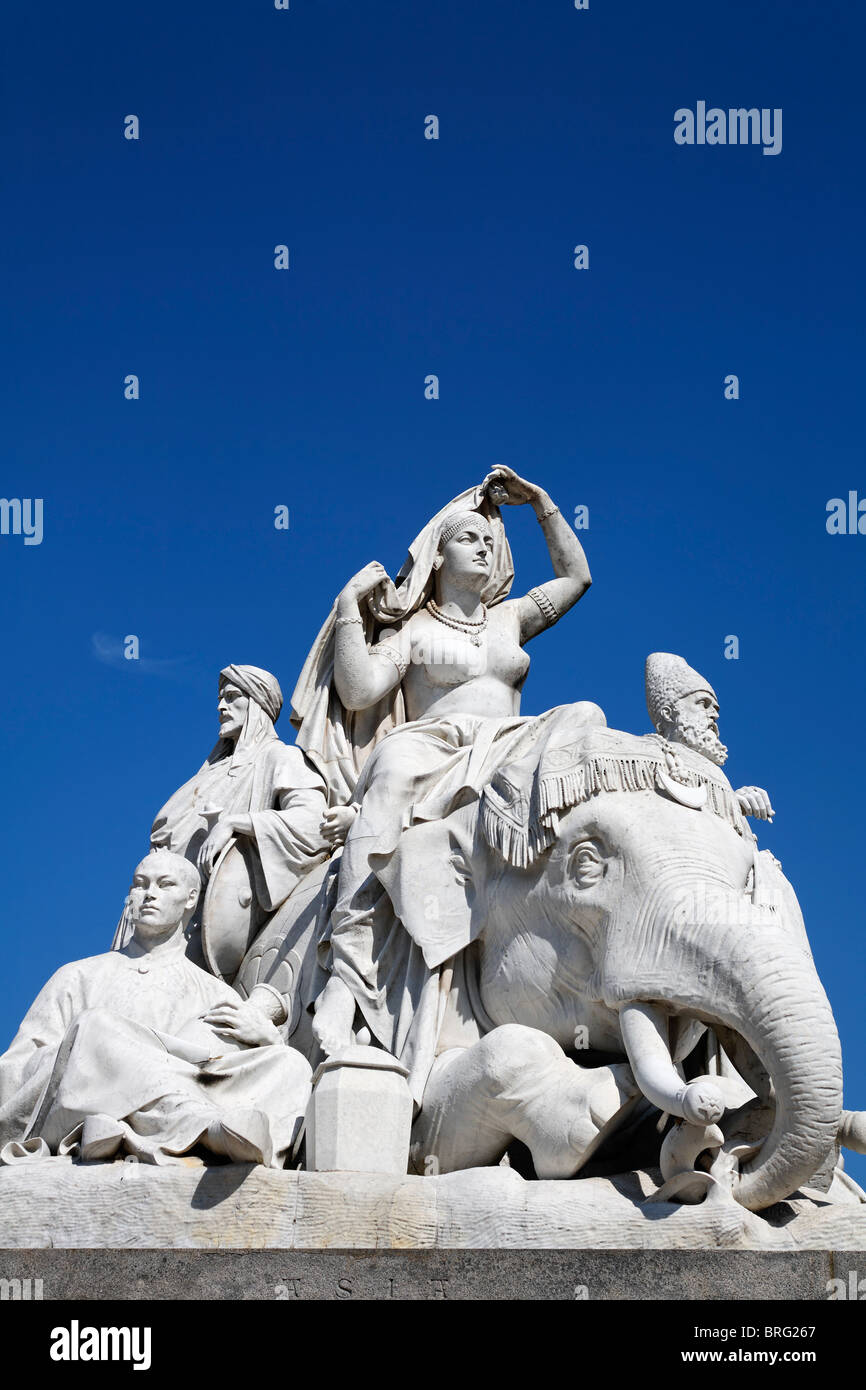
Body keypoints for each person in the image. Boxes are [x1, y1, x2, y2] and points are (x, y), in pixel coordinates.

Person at [294, 466, 603, 1099]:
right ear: (438, 555)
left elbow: (578, 578)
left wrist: (540, 503)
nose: (485, 545)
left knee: (585, 721)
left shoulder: (509, 619)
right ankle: (345, 981)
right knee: (390, 786)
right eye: (469, 537)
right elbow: (357, 690)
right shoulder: (413, 631)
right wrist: (348, 609)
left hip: (507, 746)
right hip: (432, 746)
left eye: (491, 540)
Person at [0, 851, 312, 1167]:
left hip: (192, 1085)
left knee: (290, 1063)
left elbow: (219, 1070)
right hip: (87, 1096)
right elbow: (15, 1069)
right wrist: (98, 1054)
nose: (149, 894)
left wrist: (266, 1038)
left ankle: (143, 1128)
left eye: (165, 885)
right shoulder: (79, 975)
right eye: (140, 884)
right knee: (95, 1027)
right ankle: (201, 1127)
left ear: (191, 899)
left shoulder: (216, 993)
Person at [644, 652, 774, 821]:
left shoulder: (718, 779)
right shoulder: (644, 758)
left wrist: (734, 805)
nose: (714, 715)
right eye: (703, 704)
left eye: (715, 708)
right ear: (668, 714)